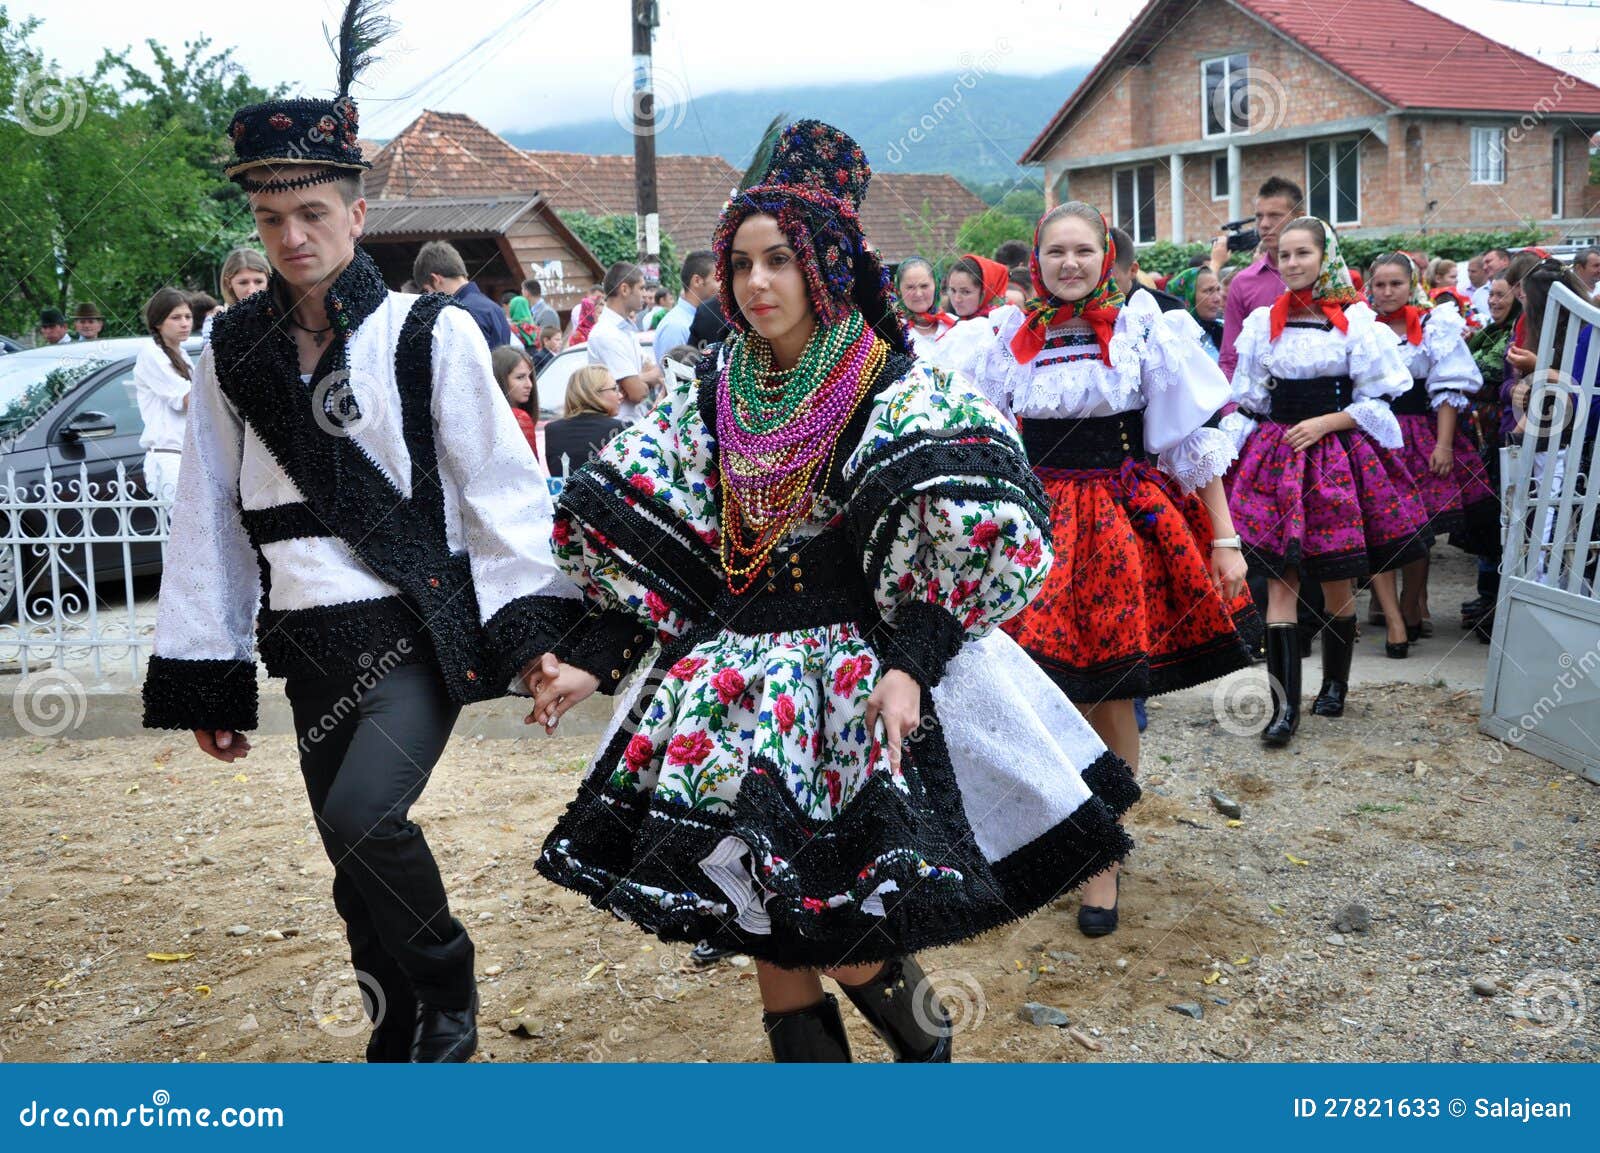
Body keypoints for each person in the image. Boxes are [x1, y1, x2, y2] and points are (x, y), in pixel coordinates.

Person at [530, 120, 1139, 1063]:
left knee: (848, 932)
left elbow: (970, 532)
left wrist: (912, 664)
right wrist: (595, 658)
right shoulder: (709, 391)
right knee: (762, 926)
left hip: (846, 682)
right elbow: (668, 541)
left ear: (828, 264)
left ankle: (926, 1055)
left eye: (780, 260)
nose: (756, 283)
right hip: (730, 681)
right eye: (741, 263)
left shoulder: (889, 387)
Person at [141, 3, 587, 1064]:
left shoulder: (431, 334)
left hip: (411, 631)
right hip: (305, 641)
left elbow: (502, 490)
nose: (291, 236)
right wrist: (208, 671)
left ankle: (448, 984)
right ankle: (395, 1034)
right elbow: (208, 513)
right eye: (270, 219)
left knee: (364, 820)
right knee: (350, 868)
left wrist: (537, 639)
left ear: (356, 210)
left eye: (312, 212)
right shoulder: (229, 352)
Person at [941, 202, 1254, 935]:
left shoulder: (1146, 326)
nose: (1071, 263)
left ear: (1106, 256)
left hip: (1117, 526)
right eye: (1057, 252)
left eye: (1084, 250)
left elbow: (1189, 440)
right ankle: (1061, 833)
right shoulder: (1003, 337)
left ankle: (1104, 855)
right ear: (1036, 262)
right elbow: (974, 437)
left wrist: (1225, 537)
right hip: (1034, 531)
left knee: (1112, 693)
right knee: (1044, 693)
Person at [1222, 217, 1428, 747]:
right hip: (1277, 458)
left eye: (1303, 254)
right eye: (1285, 255)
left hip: (1334, 459)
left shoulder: (1356, 322)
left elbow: (1378, 400)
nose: (1292, 263)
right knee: (1280, 578)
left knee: (1336, 580)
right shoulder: (1264, 322)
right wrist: (1231, 448)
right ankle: (1284, 709)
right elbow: (1252, 400)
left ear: (1325, 258)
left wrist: (1325, 424)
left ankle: (1335, 684)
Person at [1367, 252, 1491, 645]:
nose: (1388, 292)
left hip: (1418, 433)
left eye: (1396, 284)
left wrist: (1444, 444)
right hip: (1373, 434)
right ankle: (1388, 607)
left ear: (1413, 284)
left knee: (1418, 526)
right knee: (1379, 524)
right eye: (1380, 284)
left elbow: (1448, 387)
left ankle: (1413, 600)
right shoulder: (1361, 327)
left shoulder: (1434, 325)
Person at [1460, 272, 1520, 638]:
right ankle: (1487, 596)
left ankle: (1498, 600)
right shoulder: (1489, 332)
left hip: (1501, 434)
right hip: (1483, 436)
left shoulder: (1515, 333)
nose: (1494, 301)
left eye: (1502, 295)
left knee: (1500, 517)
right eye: (1491, 295)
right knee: (1486, 517)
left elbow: (1481, 371)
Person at [1218, 176, 1302, 380]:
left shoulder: (1325, 277)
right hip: (1258, 395)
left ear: (1299, 218)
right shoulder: (1242, 282)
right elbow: (1230, 358)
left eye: (1274, 216)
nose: (1264, 224)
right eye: (1259, 216)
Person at [132, 287, 194, 501]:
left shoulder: (182, 354)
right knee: (185, 522)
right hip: (169, 458)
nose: (184, 323)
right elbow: (189, 400)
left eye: (188, 316)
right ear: (158, 322)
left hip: (188, 456)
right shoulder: (152, 353)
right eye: (176, 318)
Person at [584, 261, 662, 423]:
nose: (645, 294)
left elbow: (656, 372)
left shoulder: (626, 329)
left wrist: (637, 379)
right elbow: (637, 393)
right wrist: (640, 381)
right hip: (617, 428)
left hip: (633, 424)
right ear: (625, 289)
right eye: (641, 288)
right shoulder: (605, 333)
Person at [412, 239, 512, 350]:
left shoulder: (456, 313)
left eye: (427, 290)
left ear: (436, 279)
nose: (430, 296)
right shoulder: (495, 308)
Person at [540, 364, 628, 477]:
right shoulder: (621, 429)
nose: (620, 395)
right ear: (594, 393)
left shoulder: (553, 430)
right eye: (614, 389)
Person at [653, 250, 717, 370]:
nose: (722, 286)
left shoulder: (705, 319)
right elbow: (676, 377)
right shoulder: (676, 326)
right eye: (717, 279)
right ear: (697, 281)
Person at [1109, 227, 1185, 312]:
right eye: (1098, 281)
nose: (1101, 291)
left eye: (1110, 284)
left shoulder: (1169, 309)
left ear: (1133, 270)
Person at [208, 247, 272, 346]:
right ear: (229, 283)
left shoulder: (284, 319)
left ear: (268, 281)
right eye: (243, 282)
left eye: (258, 281)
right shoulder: (221, 328)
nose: (252, 290)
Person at [892, 256, 954, 357]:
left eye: (924, 286)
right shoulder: (893, 331)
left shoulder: (956, 325)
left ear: (936, 286)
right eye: (910, 287)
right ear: (898, 291)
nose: (918, 294)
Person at [491, 344, 540, 461]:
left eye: (530, 377)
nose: (529, 385)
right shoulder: (519, 418)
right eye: (520, 377)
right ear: (500, 379)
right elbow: (531, 469)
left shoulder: (484, 417)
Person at [1166, 265, 1226, 359]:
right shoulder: (1170, 340)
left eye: (1218, 290)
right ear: (1188, 295)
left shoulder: (1225, 329)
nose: (1217, 299)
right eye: (1209, 291)